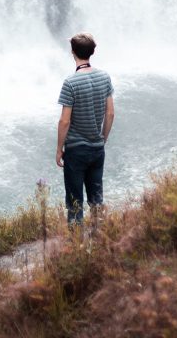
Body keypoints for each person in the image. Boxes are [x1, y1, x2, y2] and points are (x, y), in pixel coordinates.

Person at [55, 32, 114, 225]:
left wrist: (59, 149)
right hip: (97, 149)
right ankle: (100, 238)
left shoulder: (70, 83)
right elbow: (110, 113)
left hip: (76, 151)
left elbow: (65, 121)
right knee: (97, 199)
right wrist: (102, 138)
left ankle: (75, 246)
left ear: (73, 52)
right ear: (92, 52)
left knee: (75, 202)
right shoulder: (104, 77)